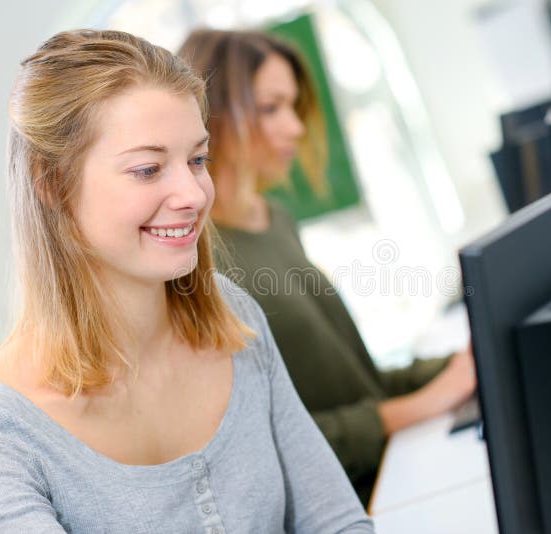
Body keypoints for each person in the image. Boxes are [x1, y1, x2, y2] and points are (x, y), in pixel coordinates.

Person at [0, 29, 373, 533]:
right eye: (147, 169)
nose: (193, 193)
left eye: (197, 160)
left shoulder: (234, 318)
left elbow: (336, 521)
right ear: (51, 184)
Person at [178, 29, 477, 505]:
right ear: (213, 114)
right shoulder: (194, 262)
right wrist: (422, 404)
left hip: (389, 473)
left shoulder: (275, 219)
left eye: (293, 108)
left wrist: (461, 367)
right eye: (272, 107)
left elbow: (357, 382)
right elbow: (270, 442)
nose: (296, 128)